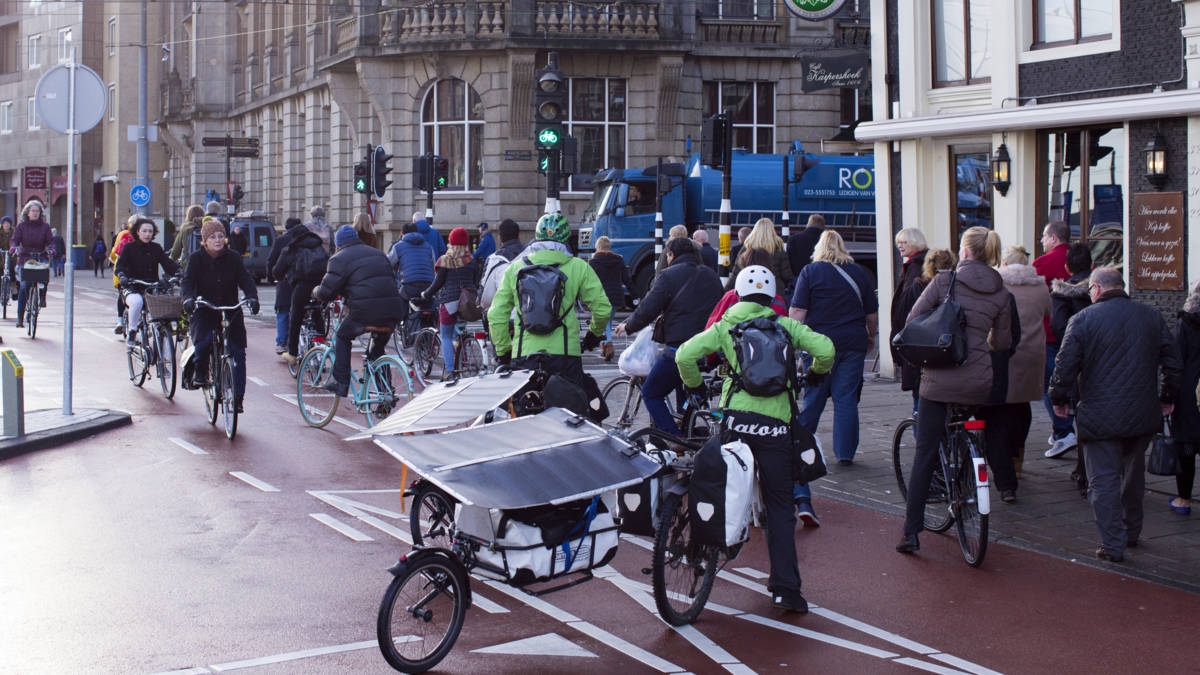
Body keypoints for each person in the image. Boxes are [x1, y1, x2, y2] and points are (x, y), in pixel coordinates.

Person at [676, 265, 834, 613]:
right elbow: (826, 350)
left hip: (736, 421)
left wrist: (695, 386)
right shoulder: (785, 325)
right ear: (772, 295)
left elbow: (683, 355)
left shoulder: (726, 326)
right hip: (776, 426)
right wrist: (815, 375)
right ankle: (785, 590)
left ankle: (707, 554)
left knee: (724, 489)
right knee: (780, 507)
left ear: (739, 294)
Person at [1049, 266, 1180, 562]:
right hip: (1142, 412)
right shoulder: (1151, 316)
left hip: (1099, 414)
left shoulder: (1082, 320)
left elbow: (1065, 365)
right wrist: (1168, 396)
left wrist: (1059, 398)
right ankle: (1131, 532)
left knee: (1103, 481)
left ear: (1095, 289)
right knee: (1133, 477)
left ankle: (1112, 544)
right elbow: (1172, 362)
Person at [897, 226, 1012, 555]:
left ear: (964, 251)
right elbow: (1001, 343)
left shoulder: (945, 281)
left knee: (926, 454)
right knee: (967, 430)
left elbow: (913, 320)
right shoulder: (1001, 292)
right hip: (979, 381)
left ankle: (911, 532)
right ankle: (966, 477)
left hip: (939, 378)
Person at [487, 213, 610, 388]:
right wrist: (593, 335)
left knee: (524, 411)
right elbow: (602, 309)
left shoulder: (516, 269)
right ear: (566, 238)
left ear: (537, 237)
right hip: (565, 354)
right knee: (571, 410)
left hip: (525, 353)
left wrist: (504, 351)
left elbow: (496, 315)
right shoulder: (578, 267)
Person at [615, 236, 722, 435]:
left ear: (671, 255)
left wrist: (628, 325)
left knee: (651, 393)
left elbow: (649, 307)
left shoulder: (668, 275)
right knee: (685, 386)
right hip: (709, 349)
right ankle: (689, 424)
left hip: (680, 348)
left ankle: (673, 437)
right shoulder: (711, 275)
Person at [978, 245, 1051, 501]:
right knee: (1021, 407)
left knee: (999, 410)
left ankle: (1001, 463)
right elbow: (1048, 313)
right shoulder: (1041, 288)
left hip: (1003, 353)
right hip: (1032, 353)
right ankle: (1016, 458)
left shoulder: (998, 287)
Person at [312, 225, 405, 396]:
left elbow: (326, 291)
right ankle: (385, 393)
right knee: (377, 352)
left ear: (338, 244)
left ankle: (341, 382)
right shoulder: (378, 253)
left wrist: (315, 292)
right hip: (393, 310)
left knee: (342, 336)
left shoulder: (338, 259)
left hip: (364, 312)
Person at [181, 218, 260, 412]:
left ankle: (238, 397)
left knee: (238, 352)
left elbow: (245, 278)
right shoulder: (196, 258)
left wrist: (252, 297)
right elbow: (188, 282)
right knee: (204, 341)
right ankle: (201, 373)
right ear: (204, 240)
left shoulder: (233, 257)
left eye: (221, 236)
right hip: (205, 309)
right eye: (213, 237)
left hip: (230, 309)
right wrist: (189, 299)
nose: (217, 240)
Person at [1046, 243, 1093, 468]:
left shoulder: (1062, 294)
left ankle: (1084, 469)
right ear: (1092, 265)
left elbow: (1057, 326)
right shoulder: (1099, 288)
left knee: (1081, 411)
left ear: (1067, 268)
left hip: (1077, 358)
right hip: (1101, 356)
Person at [894, 249, 957, 415]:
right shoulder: (958, 287)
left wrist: (899, 356)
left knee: (921, 406)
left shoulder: (917, 287)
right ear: (952, 264)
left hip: (924, 354)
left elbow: (902, 321)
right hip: (954, 354)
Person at [1034, 221, 1074, 457]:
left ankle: (1063, 431)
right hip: (1078, 332)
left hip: (1049, 333)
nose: (1041, 241)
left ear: (1054, 238)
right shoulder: (1080, 260)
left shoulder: (1043, 264)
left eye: (1044, 236)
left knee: (1050, 384)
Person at [420, 227, 479, 373]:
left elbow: (437, 283)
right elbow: (476, 282)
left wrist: (425, 294)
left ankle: (450, 370)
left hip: (450, 302)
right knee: (460, 332)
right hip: (468, 303)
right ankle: (463, 355)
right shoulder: (471, 261)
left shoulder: (445, 260)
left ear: (450, 241)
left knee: (445, 336)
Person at [115, 218, 180, 346]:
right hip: (132, 286)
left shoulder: (156, 248)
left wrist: (179, 273)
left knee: (162, 309)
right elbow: (120, 266)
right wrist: (122, 276)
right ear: (137, 232)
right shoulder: (129, 248)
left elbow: (168, 264)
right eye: (144, 231)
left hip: (152, 287)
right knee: (137, 302)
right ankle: (132, 331)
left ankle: (163, 352)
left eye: (150, 231)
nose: (147, 234)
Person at [274, 218, 329, 365]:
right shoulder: (319, 247)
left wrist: (281, 277)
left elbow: (277, 271)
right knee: (317, 313)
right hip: (321, 287)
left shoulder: (291, 249)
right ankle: (322, 347)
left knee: (295, 317)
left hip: (302, 287)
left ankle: (292, 353)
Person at [1169, 281, 1200, 517]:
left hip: (1190, 393)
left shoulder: (1186, 323)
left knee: (1187, 447)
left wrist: (1167, 395)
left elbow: (1175, 363)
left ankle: (1184, 499)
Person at [889, 227, 928, 411]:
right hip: (923, 334)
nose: (900, 246)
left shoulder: (915, 267)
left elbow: (908, 304)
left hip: (915, 336)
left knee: (919, 395)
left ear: (914, 242)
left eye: (904, 242)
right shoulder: (919, 263)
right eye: (898, 243)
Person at [11, 200, 55, 328]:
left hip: (40, 256)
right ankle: (20, 318)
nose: (35, 213)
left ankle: (42, 295)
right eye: (33, 211)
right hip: (25, 258)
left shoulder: (45, 227)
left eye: (37, 211)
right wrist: (14, 248)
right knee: (24, 286)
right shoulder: (21, 226)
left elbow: (50, 241)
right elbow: (15, 240)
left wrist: (52, 249)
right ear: (28, 213)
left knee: (44, 274)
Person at [588, 235, 632, 361]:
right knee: (607, 322)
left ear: (598, 247)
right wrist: (636, 295)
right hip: (616, 298)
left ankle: (608, 345)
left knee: (604, 322)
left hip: (601, 298)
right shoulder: (619, 261)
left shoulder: (594, 262)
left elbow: (588, 282)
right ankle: (604, 347)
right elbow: (627, 280)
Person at [726, 218, 792, 295]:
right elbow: (786, 275)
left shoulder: (747, 247)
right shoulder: (778, 248)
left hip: (749, 289)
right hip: (774, 290)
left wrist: (725, 291)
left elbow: (736, 272)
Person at [266, 217, 302, 354]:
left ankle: (281, 342)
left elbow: (271, 261)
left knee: (283, 311)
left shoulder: (281, 241)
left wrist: (271, 278)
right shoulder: (309, 239)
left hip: (285, 282)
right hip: (305, 281)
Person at [388, 221, 437, 306]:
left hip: (409, 285)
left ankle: (403, 317)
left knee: (400, 302)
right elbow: (435, 266)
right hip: (428, 285)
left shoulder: (398, 246)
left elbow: (388, 264)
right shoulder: (428, 246)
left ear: (401, 233)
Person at [110, 216, 138, 333]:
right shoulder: (144, 235)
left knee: (122, 295)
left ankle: (120, 321)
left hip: (122, 272)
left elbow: (114, 253)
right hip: (137, 272)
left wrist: (112, 260)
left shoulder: (123, 234)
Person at [170, 204, 205, 270]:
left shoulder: (185, 230)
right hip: (207, 269)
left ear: (188, 215)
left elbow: (175, 253)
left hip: (188, 268)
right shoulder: (208, 229)